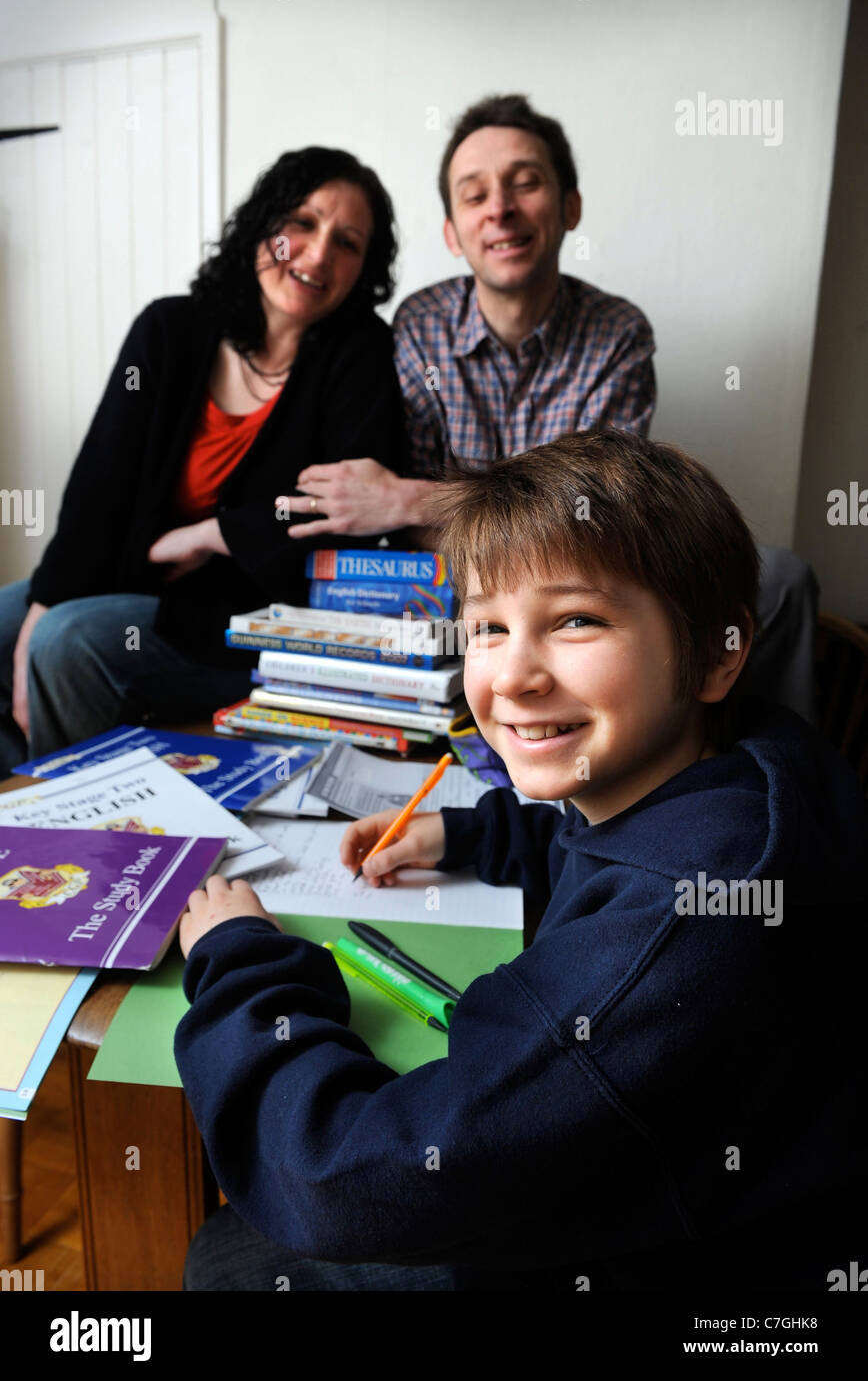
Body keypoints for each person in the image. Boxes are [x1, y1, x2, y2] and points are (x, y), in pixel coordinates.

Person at [175, 430, 866, 1291]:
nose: (513, 677)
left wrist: (243, 964)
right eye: (488, 628)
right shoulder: (745, 768)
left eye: (576, 620)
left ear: (720, 651)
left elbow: (344, 1181)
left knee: (231, 1263)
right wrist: (468, 835)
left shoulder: (680, 918)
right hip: (719, 1183)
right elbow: (606, 833)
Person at [276, 93, 819, 723]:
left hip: (582, 578)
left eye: (525, 184)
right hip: (459, 580)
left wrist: (403, 496)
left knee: (782, 578)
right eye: (475, 195)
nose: (501, 209)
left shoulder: (618, 333)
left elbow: (590, 515)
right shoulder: (420, 323)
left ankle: (773, 785)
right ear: (453, 233)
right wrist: (430, 514)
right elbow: (434, 539)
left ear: (570, 207)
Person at [0, 147, 406, 777]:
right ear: (263, 226)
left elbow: (339, 508)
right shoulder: (170, 330)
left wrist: (211, 535)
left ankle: (76, 835)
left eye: (347, 243)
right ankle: (27, 802)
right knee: (17, 626)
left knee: (66, 643)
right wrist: (44, 604)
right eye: (302, 222)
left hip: (248, 616)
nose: (319, 252)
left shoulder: (363, 356)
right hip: (135, 575)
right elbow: (99, 487)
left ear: (363, 270)